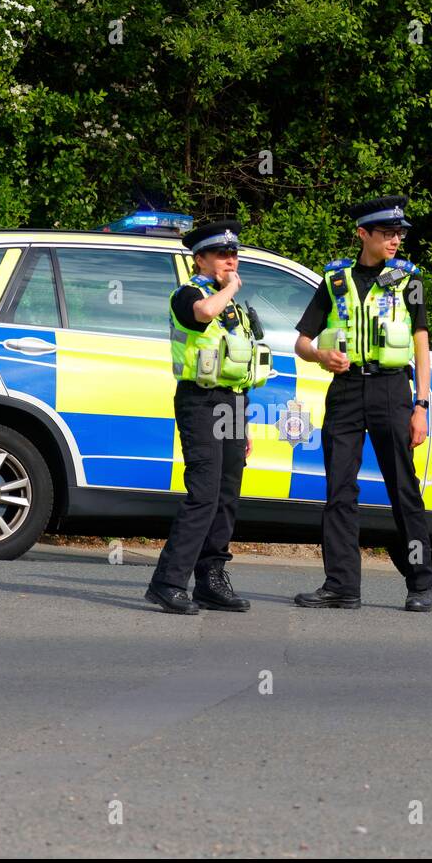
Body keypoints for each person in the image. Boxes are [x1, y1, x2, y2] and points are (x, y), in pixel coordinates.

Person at [291, 195, 432, 612]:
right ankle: (341, 586)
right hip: (346, 391)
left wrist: (421, 406)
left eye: (399, 234)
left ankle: (420, 583)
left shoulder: (410, 279)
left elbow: (422, 345)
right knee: (339, 490)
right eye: (388, 233)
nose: (396, 240)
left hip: (392, 391)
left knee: (403, 488)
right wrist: (321, 355)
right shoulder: (335, 279)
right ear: (363, 234)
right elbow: (301, 340)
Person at [145, 220, 257, 615]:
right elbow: (202, 314)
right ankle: (168, 582)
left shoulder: (236, 308)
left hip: (232, 403)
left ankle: (211, 580)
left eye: (234, 254)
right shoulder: (188, 294)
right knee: (204, 494)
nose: (231, 260)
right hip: (200, 401)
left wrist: (245, 424)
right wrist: (229, 287)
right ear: (200, 259)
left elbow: (242, 361)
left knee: (227, 496)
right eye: (222, 255)